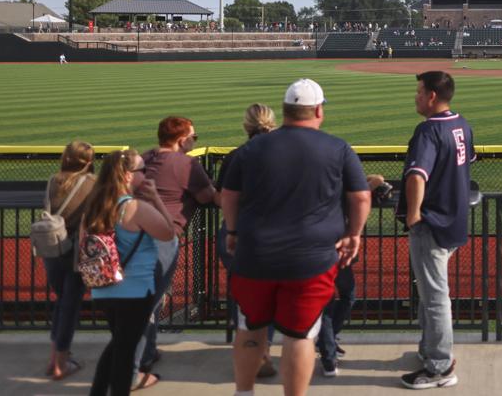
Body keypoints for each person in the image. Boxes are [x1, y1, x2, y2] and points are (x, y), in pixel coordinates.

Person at [221, 78, 370, 396]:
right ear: (318, 111)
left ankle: (243, 392)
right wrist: (354, 234)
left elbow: (229, 195)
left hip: (255, 255)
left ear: (286, 110)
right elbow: (360, 197)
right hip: (311, 260)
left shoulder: (251, 148)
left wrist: (232, 231)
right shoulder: (338, 148)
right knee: (300, 335)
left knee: (250, 329)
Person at [397, 71, 475, 389]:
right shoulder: (462, 124)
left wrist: (414, 214)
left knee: (434, 298)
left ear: (431, 96)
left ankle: (440, 366)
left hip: (432, 223)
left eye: (419, 92)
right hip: (454, 220)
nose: (415, 97)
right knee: (431, 293)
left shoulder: (428, 130)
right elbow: (464, 163)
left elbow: (417, 175)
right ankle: (430, 350)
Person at [133, 117, 219, 386]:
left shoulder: (146, 157)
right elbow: (208, 196)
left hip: (132, 233)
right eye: (194, 137)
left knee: (145, 297)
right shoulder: (185, 163)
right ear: (182, 141)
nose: (195, 141)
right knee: (150, 300)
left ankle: (146, 352)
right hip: (160, 237)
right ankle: (137, 365)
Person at [86, 150, 175, 395]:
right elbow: (168, 233)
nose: (146, 175)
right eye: (142, 170)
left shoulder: (94, 206)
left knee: (119, 344)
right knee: (125, 352)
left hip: (103, 289)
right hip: (135, 290)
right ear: (127, 176)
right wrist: (156, 198)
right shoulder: (134, 207)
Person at [216, 104, 279, 380]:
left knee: (241, 292)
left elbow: (223, 197)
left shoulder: (236, 155)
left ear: (246, 126)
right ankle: (264, 349)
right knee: (271, 293)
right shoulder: (283, 153)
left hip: (238, 230)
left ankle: (247, 348)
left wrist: (232, 230)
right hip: (274, 232)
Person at [317, 172, 388, 378]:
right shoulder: (343, 186)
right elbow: (376, 180)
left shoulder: (323, 183)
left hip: (325, 246)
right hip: (335, 247)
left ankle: (328, 342)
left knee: (342, 297)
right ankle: (328, 354)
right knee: (335, 300)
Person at [43, 140, 97, 380]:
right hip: (76, 250)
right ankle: (60, 363)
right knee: (70, 305)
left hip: (53, 247)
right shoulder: (92, 182)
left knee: (62, 301)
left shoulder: (53, 180)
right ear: (88, 161)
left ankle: (54, 357)